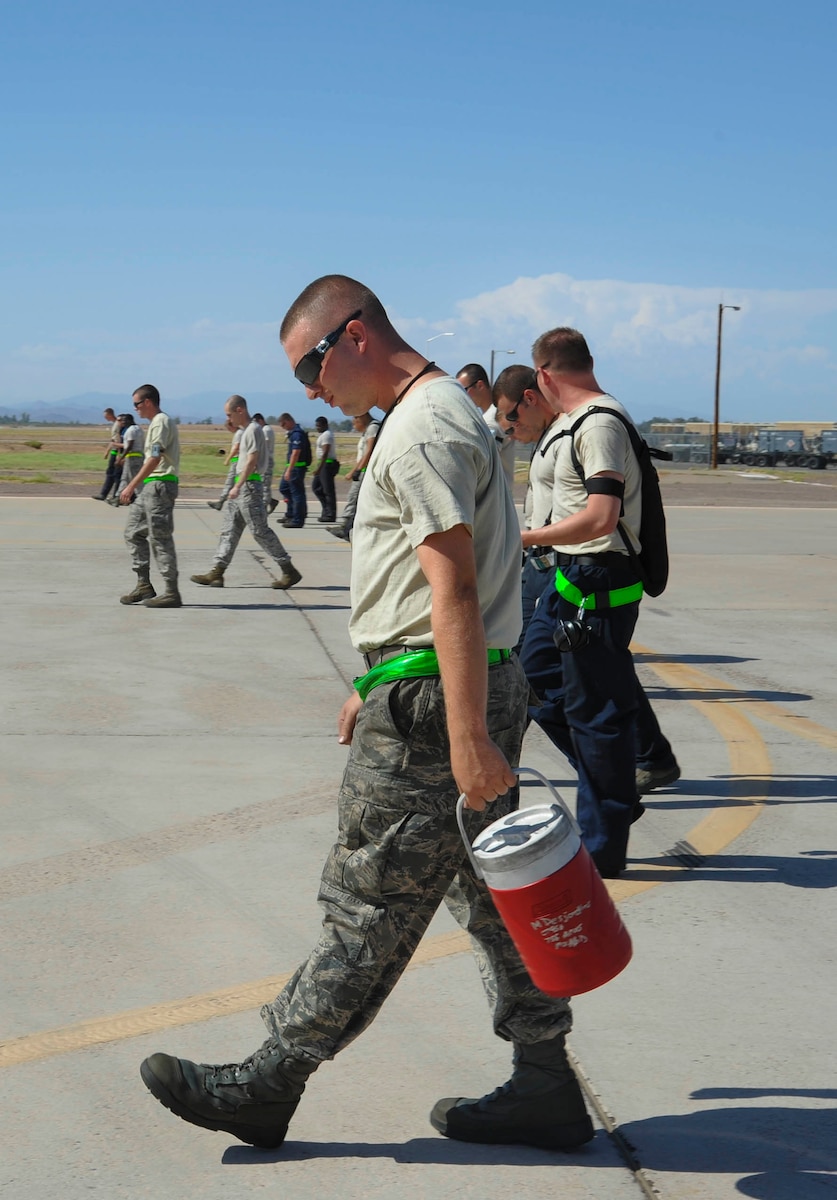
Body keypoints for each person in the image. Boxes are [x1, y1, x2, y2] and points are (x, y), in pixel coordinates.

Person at [140, 274, 594, 1155]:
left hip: (438, 703)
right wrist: (379, 671)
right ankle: (545, 1080)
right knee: (493, 897)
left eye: (310, 365)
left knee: (368, 896)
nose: (309, 389)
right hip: (456, 677)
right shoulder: (444, 411)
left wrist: (459, 736)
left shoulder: (418, 429)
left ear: (353, 335)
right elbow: (443, 588)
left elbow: (452, 584)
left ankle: (270, 1079)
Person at [508, 329, 679, 878]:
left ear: (544, 374)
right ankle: (614, 789)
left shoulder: (599, 423)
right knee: (533, 676)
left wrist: (522, 540)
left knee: (596, 715)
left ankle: (603, 848)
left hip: (598, 580)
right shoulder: (573, 423)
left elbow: (602, 518)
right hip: (568, 577)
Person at [190, 395, 302, 591]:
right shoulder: (246, 431)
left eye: (229, 414)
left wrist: (237, 485)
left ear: (240, 410)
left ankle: (288, 569)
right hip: (242, 487)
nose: (228, 419)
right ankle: (217, 572)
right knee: (229, 531)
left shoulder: (252, 431)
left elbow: (252, 461)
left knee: (260, 531)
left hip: (248, 487)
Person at [492, 365, 561, 650]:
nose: (511, 428)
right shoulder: (546, 437)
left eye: (512, 416)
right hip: (538, 557)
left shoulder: (564, 436)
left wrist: (525, 538)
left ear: (530, 399)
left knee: (528, 652)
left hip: (553, 561)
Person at [117, 385, 182, 608]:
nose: (135, 409)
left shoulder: (161, 422)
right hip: (150, 486)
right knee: (133, 532)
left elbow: (155, 458)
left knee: (160, 538)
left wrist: (129, 486)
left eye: (136, 404)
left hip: (160, 484)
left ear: (148, 402)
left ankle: (172, 592)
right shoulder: (154, 423)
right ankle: (143, 584)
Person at [456, 363, 517, 492]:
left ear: (480, 386)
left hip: (495, 497)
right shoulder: (491, 416)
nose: (462, 396)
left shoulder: (492, 421)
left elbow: (483, 461)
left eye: (464, 390)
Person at [328, 411, 379, 541]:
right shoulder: (368, 430)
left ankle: (345, 527)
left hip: (366, 471)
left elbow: (369, 451)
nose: (354, 426)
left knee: (353, 496)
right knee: (359, 500)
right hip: (363, 469)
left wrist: (356, 470)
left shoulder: (373, 428)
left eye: (354, 422)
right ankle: (352, 529)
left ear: (360, 418)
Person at [278, 413, 310, 527]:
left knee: (297, 493)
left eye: (283, 425)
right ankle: (292, 513)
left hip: (296, 467)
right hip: (292, 467)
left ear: (288, 421)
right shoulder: (293, 433)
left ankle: (298, 519)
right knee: (284, 488)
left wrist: (289, 470)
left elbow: (296, 453)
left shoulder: (297, 434)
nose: (283, 427)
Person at [109, 412, 144, 504]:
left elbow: (129, 446)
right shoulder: (139, 429)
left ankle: (142, 498)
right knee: (125, 479)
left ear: (130, 420)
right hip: (135, 457)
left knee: (135, 479)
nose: (123, 422)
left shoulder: (131, 430)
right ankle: (118, 498)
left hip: (133, 457)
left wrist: (121, 458)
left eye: (125, 420)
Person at [207, 420, 242, 511]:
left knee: (230, 481)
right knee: (236, 482)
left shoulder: (239, 433)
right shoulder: (239, 433)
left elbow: (236, 448)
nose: (228, 430)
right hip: (237, 460)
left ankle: (221, 502)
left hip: (237, 460)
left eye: (228, 428)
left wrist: (228, 459)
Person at [311, 415, 339, 523]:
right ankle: (326, 509)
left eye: (319, 426)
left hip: (326, 465)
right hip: (323, 465)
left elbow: (325, 453)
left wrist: (319, 468)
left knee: (328, 490)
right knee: (316, 488)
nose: (317, 428)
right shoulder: (323, 435)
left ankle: (330, 514)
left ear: (325, 425)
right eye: (316, 426)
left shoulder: (327, 435)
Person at [92, 407, 123, 501]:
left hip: (118, 452)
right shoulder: (115, 424)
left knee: (117, 475)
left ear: (110, 414)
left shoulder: (118, 424)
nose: (105, 418)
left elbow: (118, 439)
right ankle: (104, 494)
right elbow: (113, 440)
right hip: (114, 451)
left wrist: (119, 455)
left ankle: (115, 496)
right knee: (110, 473)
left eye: (106, 416)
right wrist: (107, 451)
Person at [254, 413, 278, 513]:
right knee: (262, 483)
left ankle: (263, 507)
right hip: (265, 460)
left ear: (261, 421)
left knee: (265, 486)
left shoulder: (266, 430)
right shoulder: (265, 429)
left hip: (267, 460)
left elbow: (264, 445)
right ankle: (271, 502)